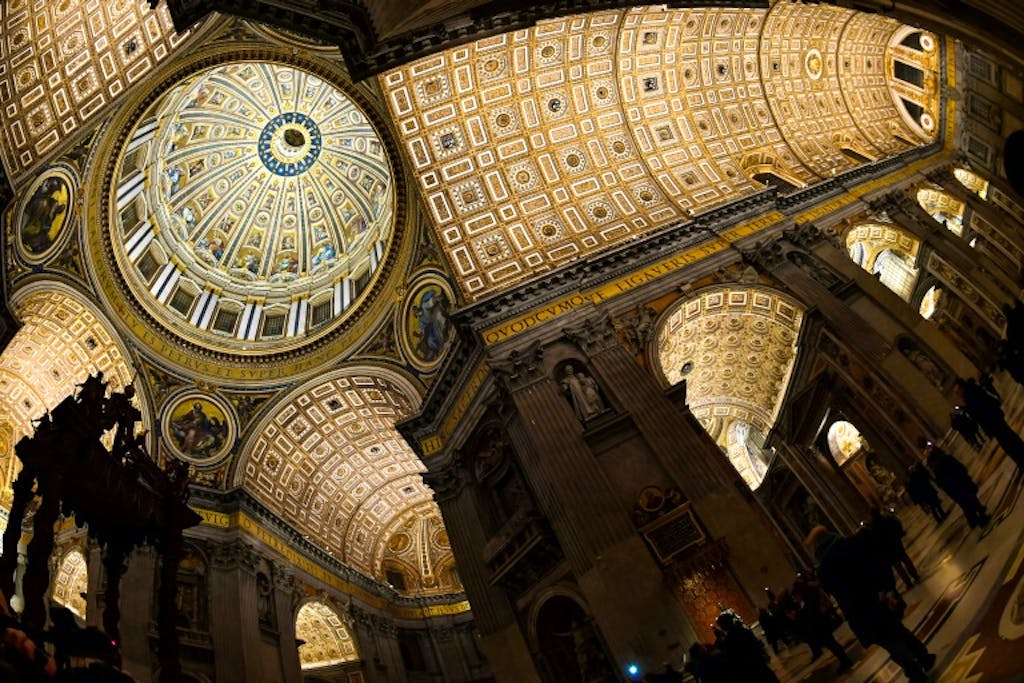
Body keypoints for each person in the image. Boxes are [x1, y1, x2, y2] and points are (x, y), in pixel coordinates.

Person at [806, 526, 935, 683]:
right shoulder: (852, 543)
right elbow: (876, 563)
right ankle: (924, 658)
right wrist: (886, 588)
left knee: (889, 642)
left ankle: (914, 672)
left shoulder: (824, 570)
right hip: (877, 597)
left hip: (859, 610)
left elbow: (832, 591)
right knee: (898, 630)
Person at [789, 573, 854, 671]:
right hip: (821, 623)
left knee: (832, 644)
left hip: (820, 625)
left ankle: (845, 661)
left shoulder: (808, 598)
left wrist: (798, 615)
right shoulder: (809, 595)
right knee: (832, 643)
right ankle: (844, 660)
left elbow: (810, 613)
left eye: (795, 596)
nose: (795, 599)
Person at [959, 376, 1024, 470]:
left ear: (962, 388)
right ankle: (1021, 457)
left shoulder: (971, 395)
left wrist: (967, 408)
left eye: (958, 391)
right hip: (993, 419)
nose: (958, 394)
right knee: (1009, 439)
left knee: (1008, 442)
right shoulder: (972, 391)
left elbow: (979, 410)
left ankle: (1021, 459)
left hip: (992, 420)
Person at [925, 445, 990, 528]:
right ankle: (980, 518)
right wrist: (965, 475)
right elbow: (960, 468)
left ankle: (974, 519)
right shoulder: (947, 460)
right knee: (971, 500)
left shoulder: (937, 470)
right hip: (961, 483)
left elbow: (941, 484)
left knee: (966, 504)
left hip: (954, 490)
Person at [867, 506, 920, 588]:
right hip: (895, 542)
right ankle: (915, 575)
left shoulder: (872, 527)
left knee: (898, 566)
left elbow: (874, 539)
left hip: (887, 548)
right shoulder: (886, 518)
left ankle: (908, 582)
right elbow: (897, 523)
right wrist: (899, 533)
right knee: (905, 559)